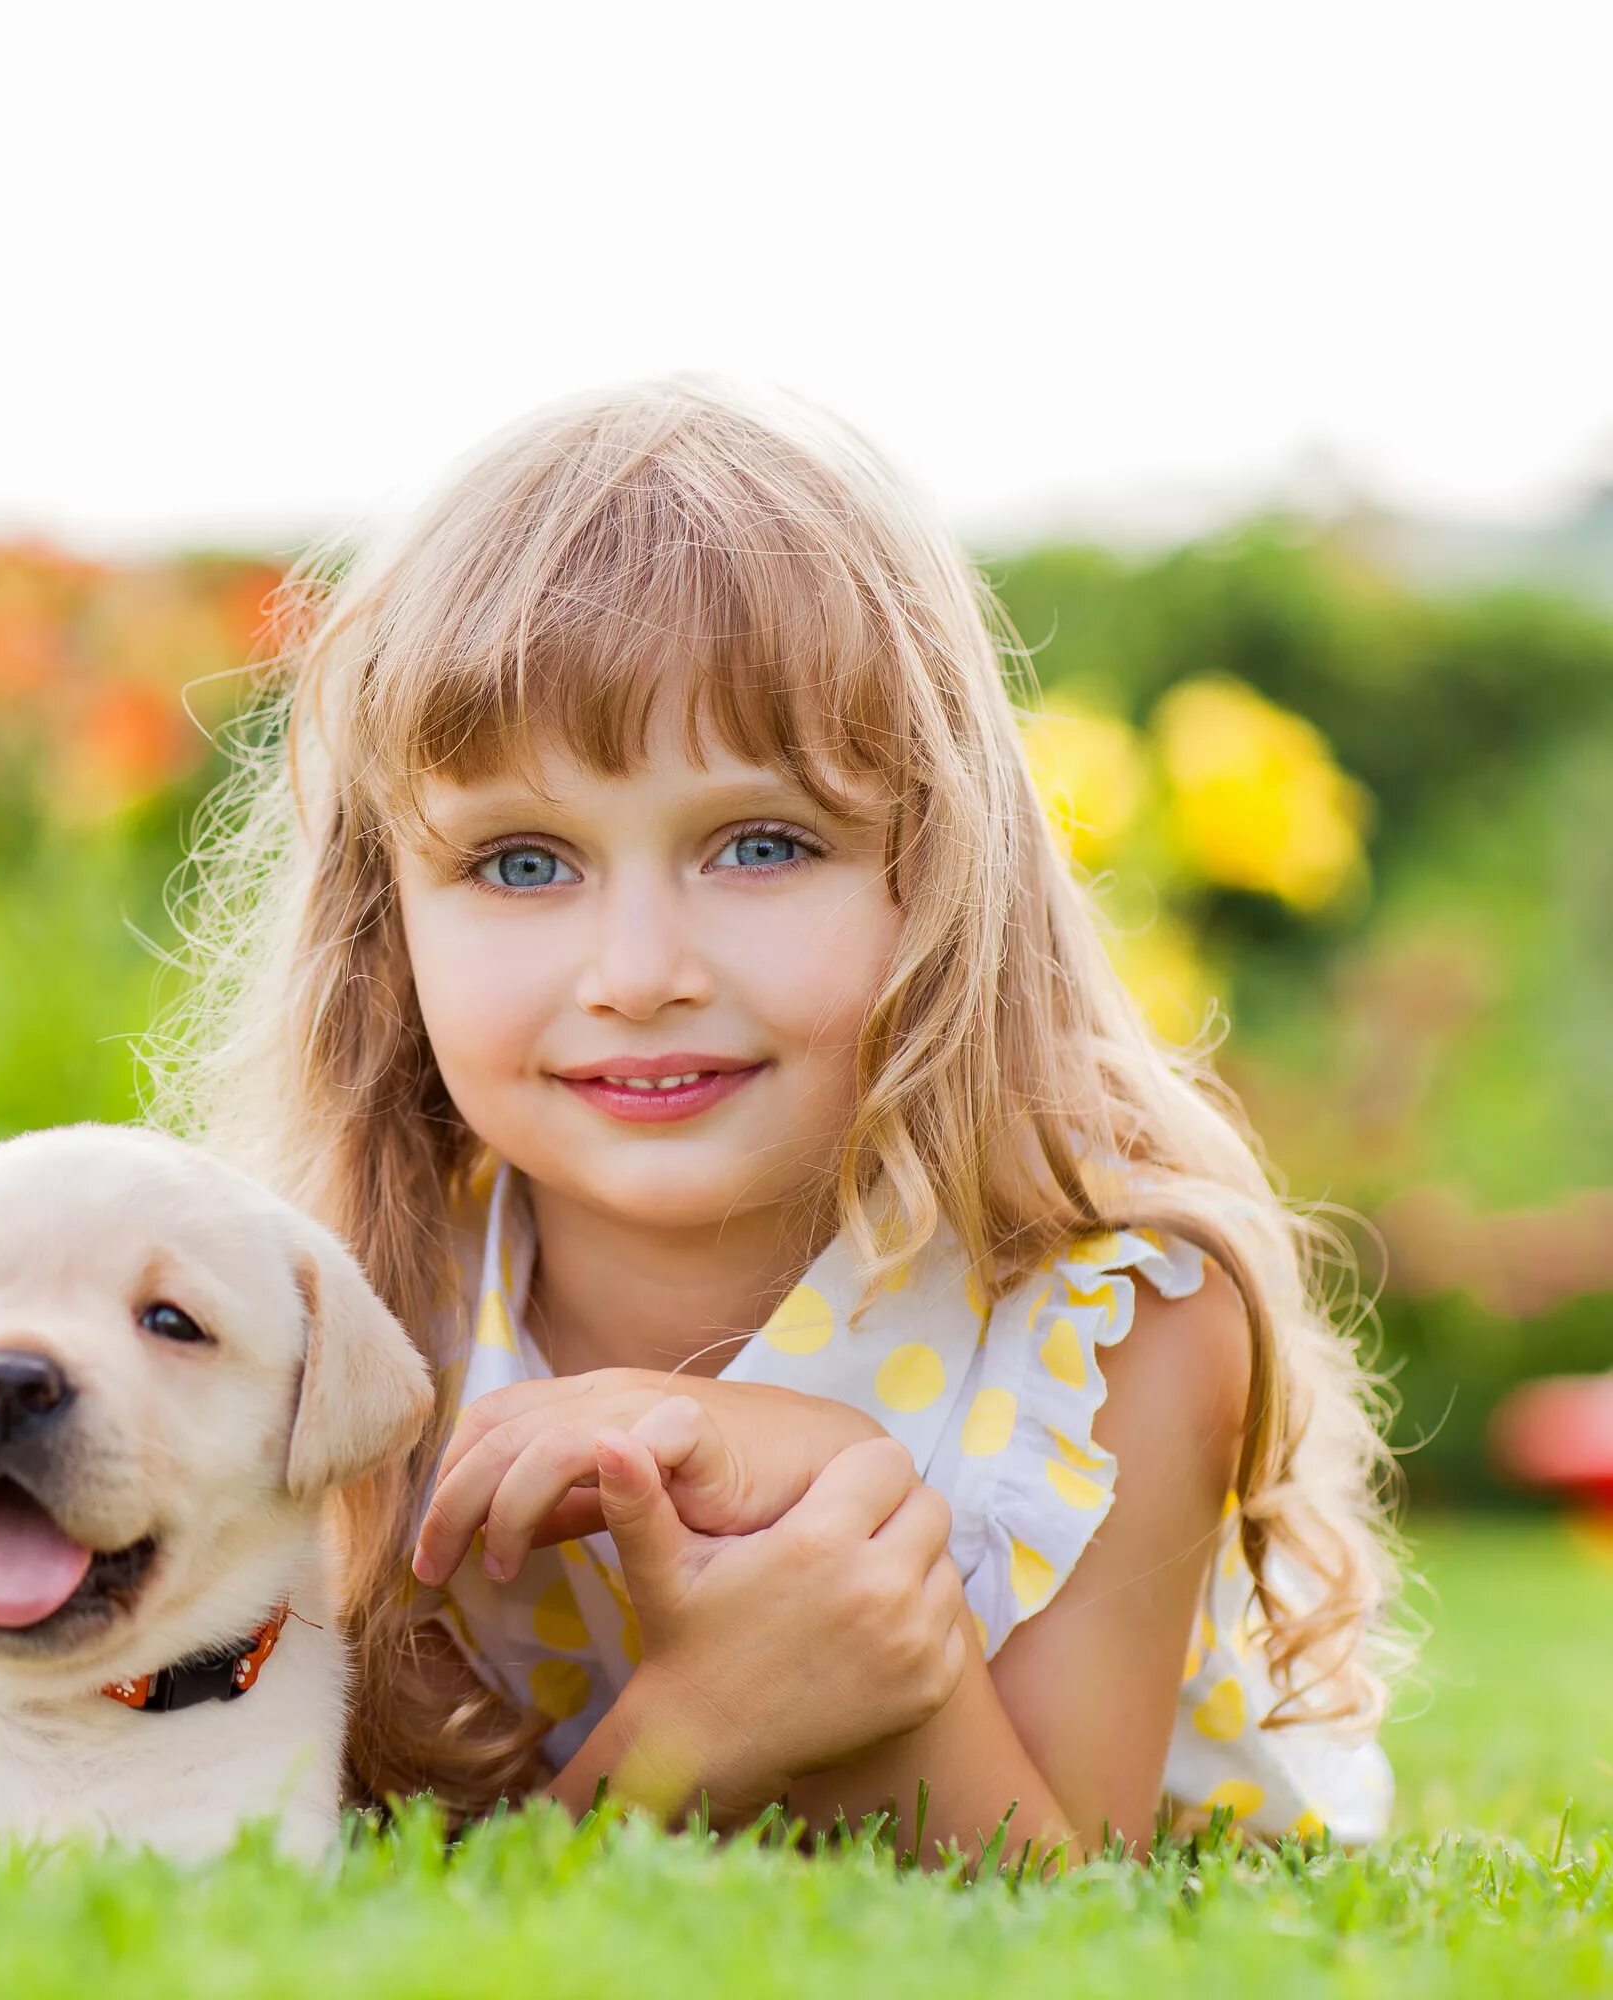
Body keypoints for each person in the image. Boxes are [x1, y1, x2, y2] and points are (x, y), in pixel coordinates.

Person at [146, 376, 1404, 1865]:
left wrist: (856, 1601)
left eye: (760, 843)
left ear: (939, 871)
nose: (638, 975)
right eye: (522, 863)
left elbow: (1063, 1901)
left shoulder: (1110, 1327)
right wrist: (708, 1722)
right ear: (384, 924)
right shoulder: (362, 1327)